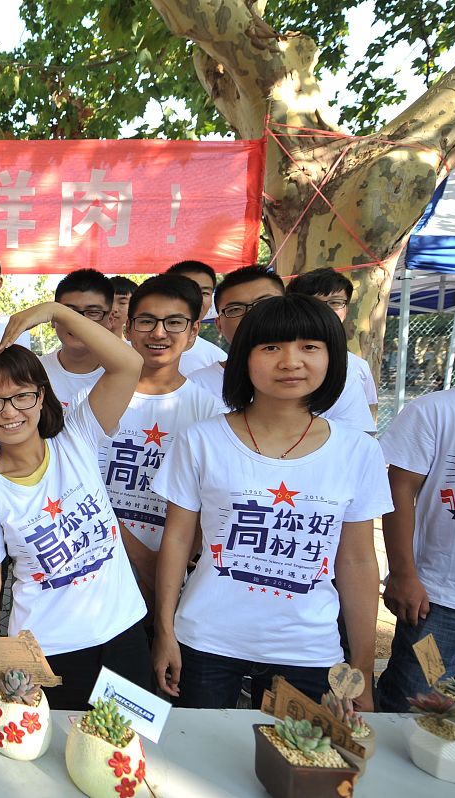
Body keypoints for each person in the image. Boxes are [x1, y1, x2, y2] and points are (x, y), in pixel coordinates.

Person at [151, 295, 391, 710]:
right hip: (206, 642)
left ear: (333, 358)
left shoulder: (358, 452)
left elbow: (356, 562)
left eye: (310, 347)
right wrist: (165, 632)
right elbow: (176, 540)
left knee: (300, 767)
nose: (291, 361)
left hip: (309, 652)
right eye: (271, 347)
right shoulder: (201, 439)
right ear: (245, 357)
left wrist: (362, 670)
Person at [0, 303, 148, 711]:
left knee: (129, 752)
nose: (10, 412)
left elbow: (128, 363)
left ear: (42, 395)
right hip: (49, 653)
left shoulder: (77, 438)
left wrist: (56, 311)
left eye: (21, 396)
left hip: (126, 632)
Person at [98, 275, 222, 606]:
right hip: (97, 569)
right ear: (128, 328)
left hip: (171, 582)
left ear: (194, 331)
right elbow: (80, 487)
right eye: (147, 321)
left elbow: (207, 504)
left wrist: (169, 568)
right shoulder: (94, 400)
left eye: (174, 322)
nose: (158, 333)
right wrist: (143, 560)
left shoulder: (211, 413)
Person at [375, 383, 455, 710]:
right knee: (414, 705)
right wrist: (404, 574)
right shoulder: (437, 411)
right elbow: (399, 490)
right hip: (439, 602)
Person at [287, 267, 378, 432]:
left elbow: (365, 426)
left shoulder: (357, 366)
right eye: (314, 303)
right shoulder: (274, 361)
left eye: (335, 302)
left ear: (346, 309)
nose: (325, 311)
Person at [185, 264, 285, 406]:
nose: (252, 316)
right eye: (235, 309)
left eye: (264, 303)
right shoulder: (196, 387)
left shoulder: (312, 377)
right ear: (219, 324)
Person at [40, 268, 115, 408]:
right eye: (69, 312)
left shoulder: (125, 374)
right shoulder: (34, 372)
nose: (80, 322)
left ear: (110, 319)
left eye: (93, 312)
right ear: (52, 318)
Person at [167, 260, 228, 376]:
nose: (197, 298)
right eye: (187, 289)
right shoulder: (132, 351)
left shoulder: (218, 359)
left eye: (205, 293)